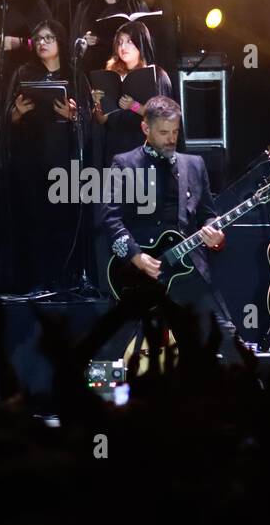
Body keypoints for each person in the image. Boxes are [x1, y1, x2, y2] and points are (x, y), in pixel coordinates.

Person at [100, 96, 240, 362]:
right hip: (141, 271)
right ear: (146, 129)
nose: (170, 139)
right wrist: (136, 257)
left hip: (187, 268)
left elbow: (208, 215)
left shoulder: (194, 165)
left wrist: (215, 234)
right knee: (111, 347)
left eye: (175, 132)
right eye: (163, 132)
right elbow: (110, 219)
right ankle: (95, 400)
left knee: (227, 339)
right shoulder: (124, 163)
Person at [5, 18, 85, 290]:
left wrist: (73, 116)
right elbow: (8, 118)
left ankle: (65, 279)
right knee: (33, 220)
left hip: (63, 157)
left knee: (62, 220)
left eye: (48, 38)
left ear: (59, 42)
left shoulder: (74, 74)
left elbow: (86, 120)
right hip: (31, 157)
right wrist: (18, 112)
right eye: (38, 38)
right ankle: (36, 282)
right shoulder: (23, 72)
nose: (42, 43)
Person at [90, 20, 170, 168]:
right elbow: (102, 120)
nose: (123, 47)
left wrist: (133, 106)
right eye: (119, 42)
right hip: (116, 150)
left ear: (141, 44)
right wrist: (98, 103)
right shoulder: (110, 76)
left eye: (129, 42)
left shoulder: (157, 75)